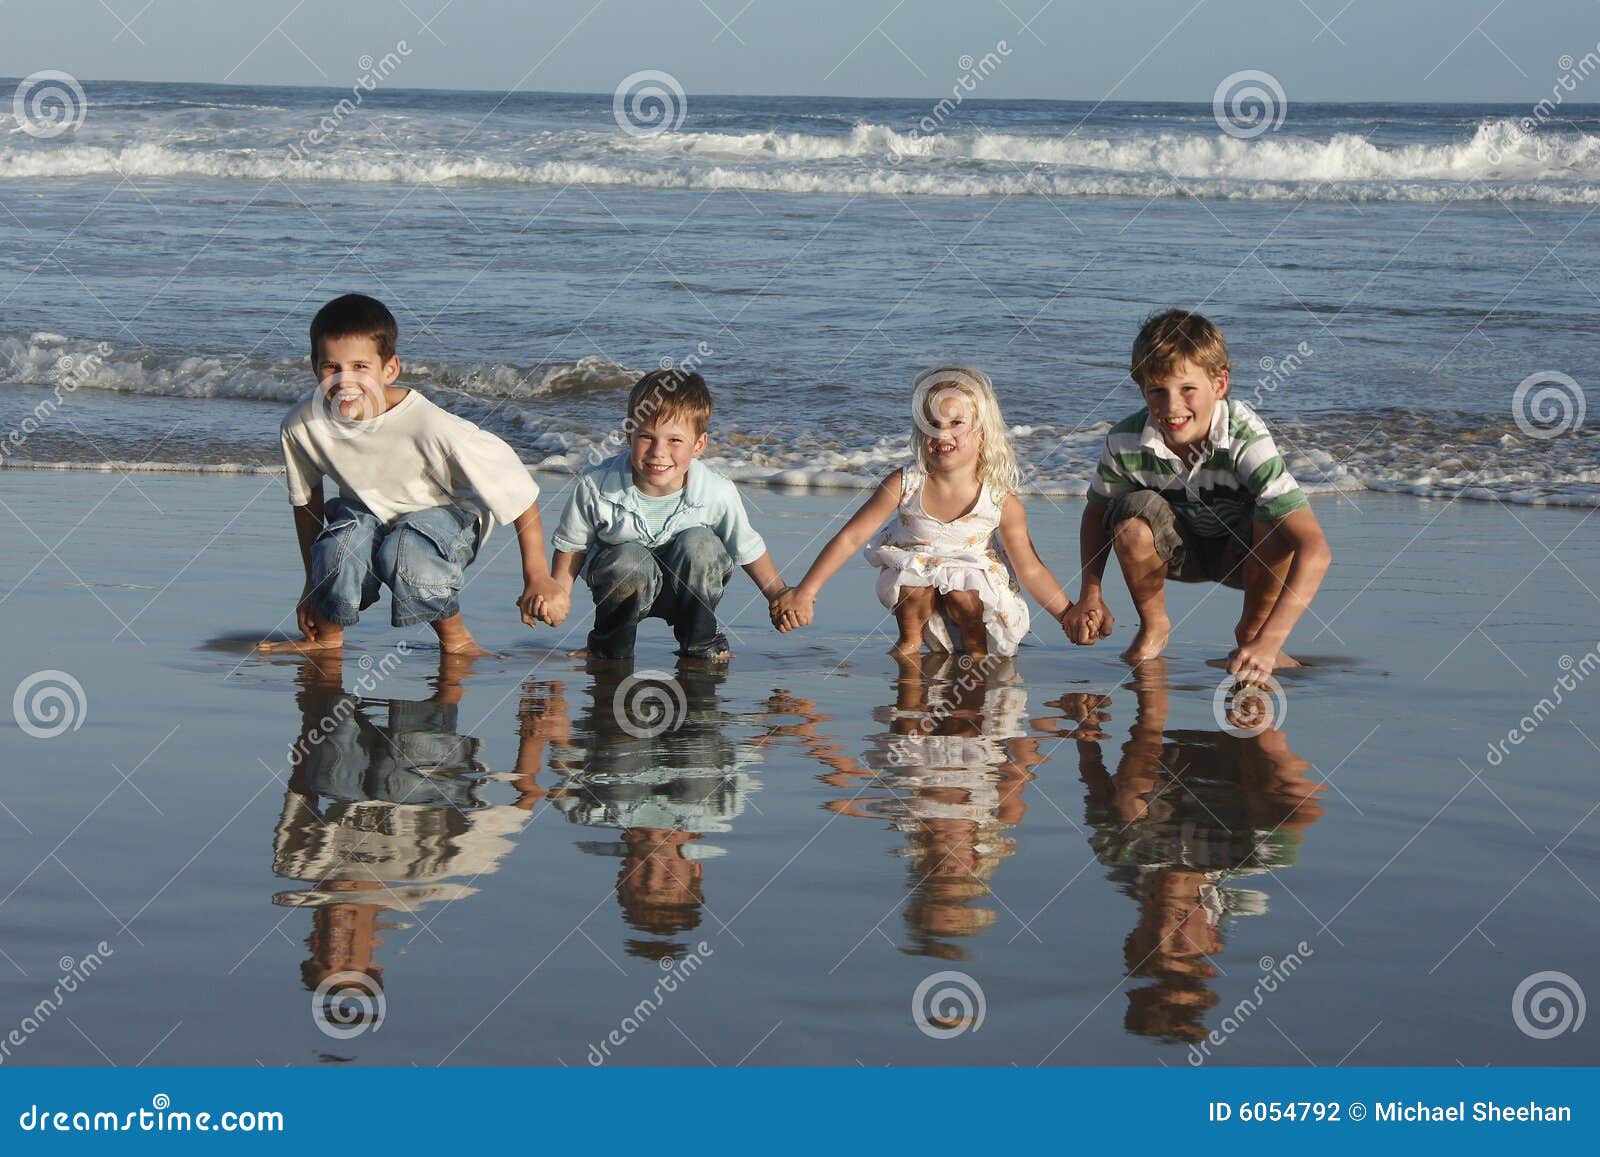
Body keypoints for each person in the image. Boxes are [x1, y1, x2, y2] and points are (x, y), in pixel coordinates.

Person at [260, 293, 567, 657]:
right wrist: (312, 587)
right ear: (314, 366)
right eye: (331, 367)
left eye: (361, 367)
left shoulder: (429, 425)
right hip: (367, 515)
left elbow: (518, 491)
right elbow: (306, 500)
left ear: (389, 369)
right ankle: (327, 637)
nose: (345, 381)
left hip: (446, 518)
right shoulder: (302, 425)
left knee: (404, 550)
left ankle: (457, 640)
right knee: (339, 545)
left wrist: (536, 576)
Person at [1063, 310, 1332, 676]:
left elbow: (1315, 550)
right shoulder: (1124, 441)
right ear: (1141, 388)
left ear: (1219, 385)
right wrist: (1090, 592)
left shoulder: (1243, 435)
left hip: (1244, 556)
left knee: (1276, 520)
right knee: (1130, 517)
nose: (1172, 406)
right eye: (1157, 391)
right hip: (1176, 553)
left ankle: (1252, 633)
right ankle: (1154, 626)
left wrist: (1272, 639)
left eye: (1187, 389)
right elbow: (1096, 514)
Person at [772, 365, 1074, 661]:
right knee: (912, 576)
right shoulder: (906, 483)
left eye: (956, 423)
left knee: (962, 588)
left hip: (979, 611)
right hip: (921, 602)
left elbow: (1030, 568)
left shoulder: (999, 500)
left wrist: (1067, 615)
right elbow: (851, 538)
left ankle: (977, 655)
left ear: (982, 431)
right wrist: (806, 591)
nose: (942, 435)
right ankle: (910, 642)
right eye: (932, 424)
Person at [549, 369, 790, 661]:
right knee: (628, 560)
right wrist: (558, 592)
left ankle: (701, 644)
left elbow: (747, 547)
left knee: (700, 544)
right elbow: (572, 545)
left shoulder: (716, 492)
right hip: (624, 586)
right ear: (629, 434)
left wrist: (778, 594)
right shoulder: (596, 485)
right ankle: (609, 648)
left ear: (699, 445)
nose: (658, 452)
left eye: (674, 440)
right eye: (647, 437)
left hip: (689, 589)